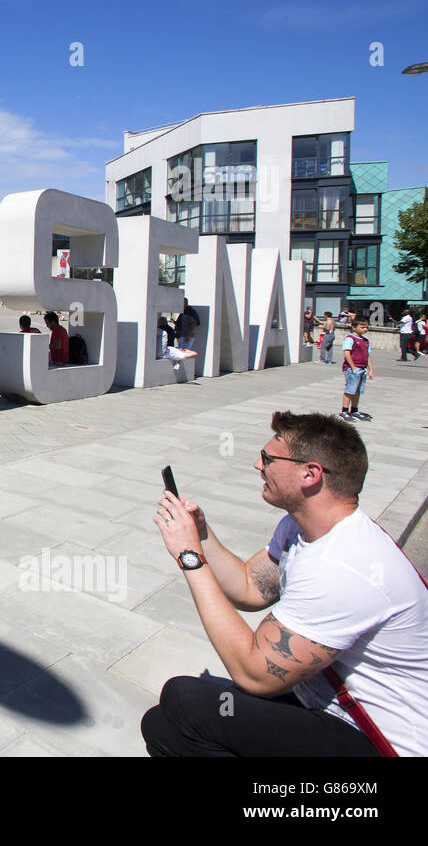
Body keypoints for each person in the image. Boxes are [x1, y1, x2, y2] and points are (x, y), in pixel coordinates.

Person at [140, 411, 428, 756]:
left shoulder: (344, 566)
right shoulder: (301, 529)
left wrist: (190, 557)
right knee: (162, 725)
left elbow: (253, 673)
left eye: (268, 459)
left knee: (184, 700)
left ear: (310, 474)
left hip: (380, 742)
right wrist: (201, 536)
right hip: (327, 703)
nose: (256, 465)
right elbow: (250, 587)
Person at [340, 315, 372, 421]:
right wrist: (353, 367)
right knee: (350, 389)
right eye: (362, 327)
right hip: (353, 368)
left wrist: (371, 369)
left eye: (366, 327)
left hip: (362, 368)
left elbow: (368, 355)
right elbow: (347, 353)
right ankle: (344, 410)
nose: (365, 329)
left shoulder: (365, 341)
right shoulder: (350, 339)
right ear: (354, 327)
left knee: (358, 390)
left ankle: (354, 410)